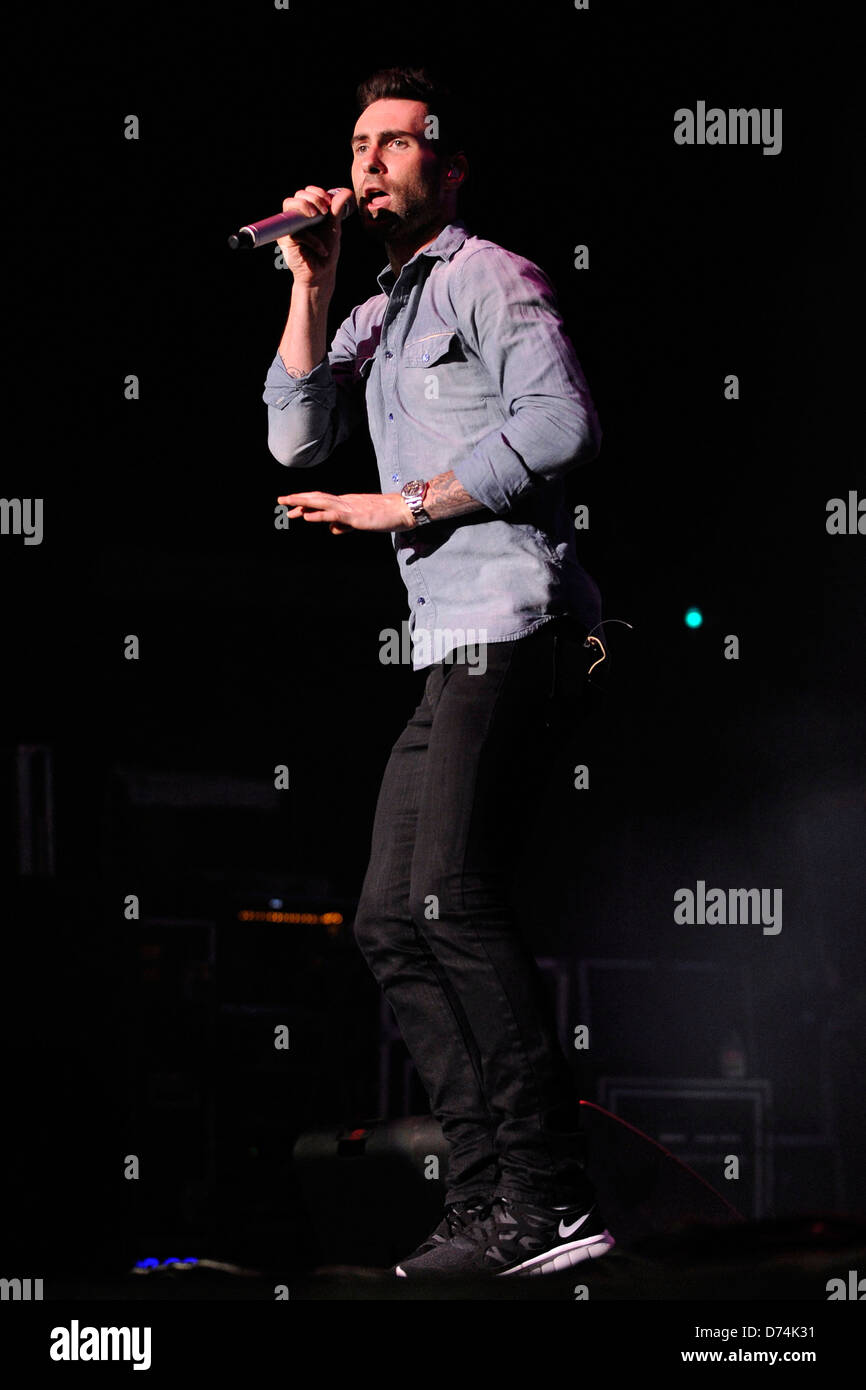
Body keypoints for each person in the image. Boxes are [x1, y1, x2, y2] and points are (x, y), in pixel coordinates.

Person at [262, 65, 614, 1279]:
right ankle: (487, 1204)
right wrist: (310, 283)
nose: (366, 163)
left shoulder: (484, 274)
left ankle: (552, 1194)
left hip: (515, 618)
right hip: (444, 639)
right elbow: (293, 435)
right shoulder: (380, 307)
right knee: (387, 919)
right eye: (355, 143)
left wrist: (397, 503)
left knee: (450, 898)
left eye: (392, 144)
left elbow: (563, 423)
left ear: (445, 166)